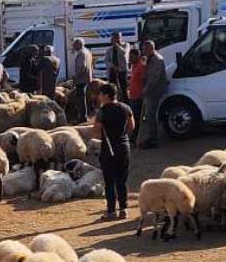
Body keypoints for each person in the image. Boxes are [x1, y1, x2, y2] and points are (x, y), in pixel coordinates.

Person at [93, 81, 136, 220]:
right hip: (124, 147)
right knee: (122, 180)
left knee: (109, 181)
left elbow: (96, 132)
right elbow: (132, 126)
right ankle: (124, 209)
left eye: (100, 94)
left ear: (106, 95)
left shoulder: (102, 112)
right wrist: (124, 137)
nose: (99, 97)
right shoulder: (125, 107)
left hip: (108, 149)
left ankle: (111, 211)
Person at [138, 39, 169, 149]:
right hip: (150, 90)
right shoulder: (149, 58)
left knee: (151, 115)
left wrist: (145, 90)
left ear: (151, 48)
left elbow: (154, 79)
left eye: (144, 49)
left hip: (155, 91)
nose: (143, 51)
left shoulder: (157, 60)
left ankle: (153, 140)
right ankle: (150, 137)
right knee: (148, 115)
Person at [68, 38, 94, 122]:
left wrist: (75, 77)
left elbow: (82, 67)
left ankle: (82, 118)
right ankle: (83, 116)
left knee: (81, 99)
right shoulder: (87, 51)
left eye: (74, 44)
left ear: (78, 44)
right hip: (86, 78)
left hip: (81, 79)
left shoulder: (81, 53)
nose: (73, 46)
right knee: (83, 98)